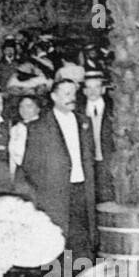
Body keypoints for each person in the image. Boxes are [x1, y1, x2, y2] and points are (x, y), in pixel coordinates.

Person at [21, 79, 97, 265]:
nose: (72, 98)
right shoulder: (38, 127)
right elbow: (30, 166)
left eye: (73, 93)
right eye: (66, 94)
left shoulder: (84, 122)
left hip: (81, 191)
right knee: (57, 243)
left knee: (82, 241)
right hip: (54, 196)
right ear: (54, 96)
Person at [82, 69, 115, 206]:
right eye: (88, 87)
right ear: (83, 91)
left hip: (109, 163)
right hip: (88, 164)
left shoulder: (114, 109)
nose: (92, 91)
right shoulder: (78, 111)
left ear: (103, 89)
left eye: (96, 87)